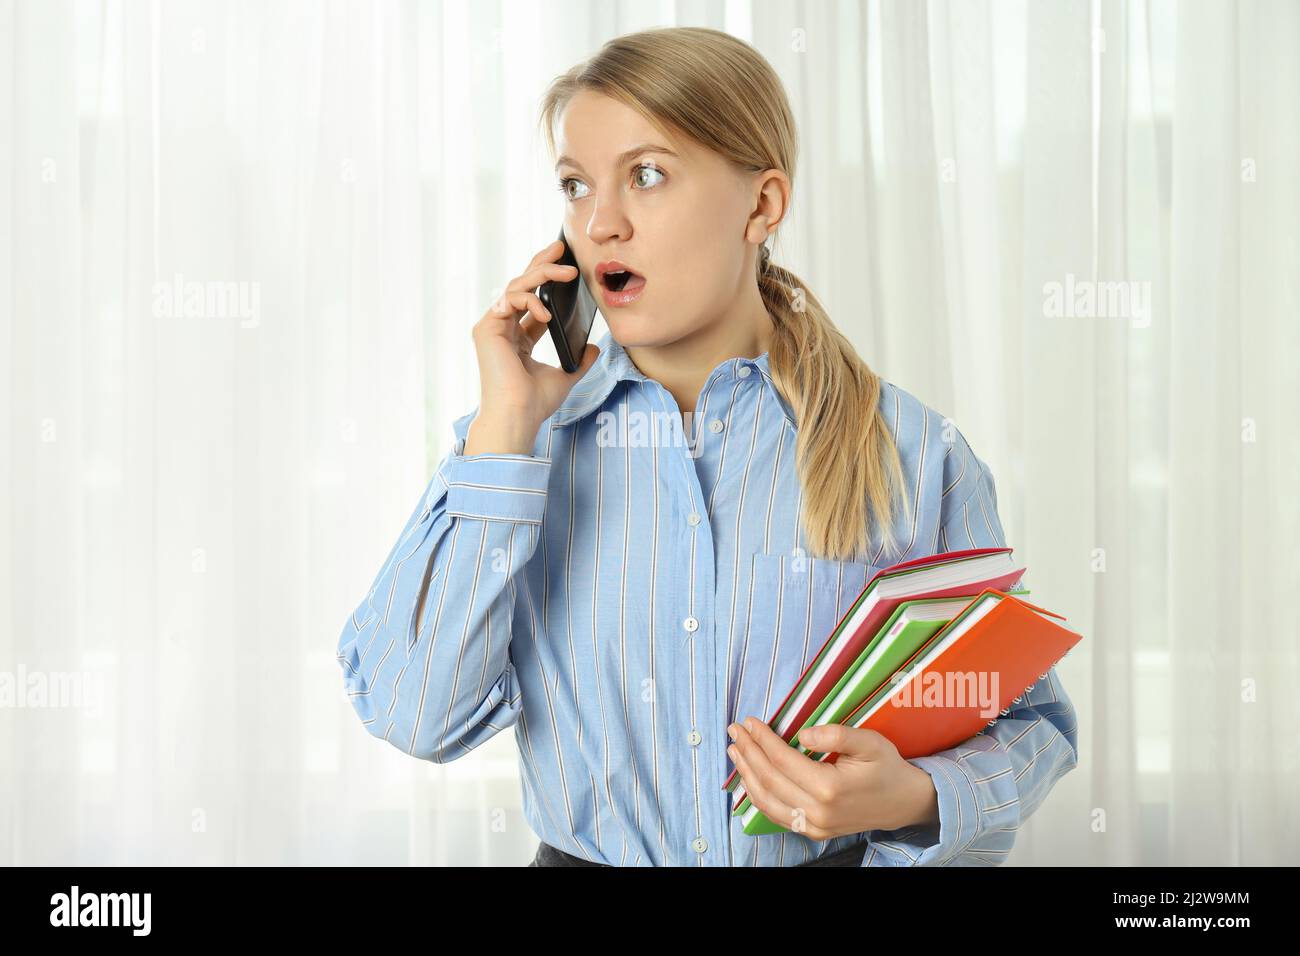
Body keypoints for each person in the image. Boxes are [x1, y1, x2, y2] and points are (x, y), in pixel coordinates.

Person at [336, 26, 1078, 867]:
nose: (600, 223)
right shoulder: (518, 451)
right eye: (576, 186)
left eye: (646, 175)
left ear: (761, 206)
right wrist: (503, 432)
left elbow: (1025, 722)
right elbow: (414, 715)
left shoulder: (915, 454)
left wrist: (912, 795)